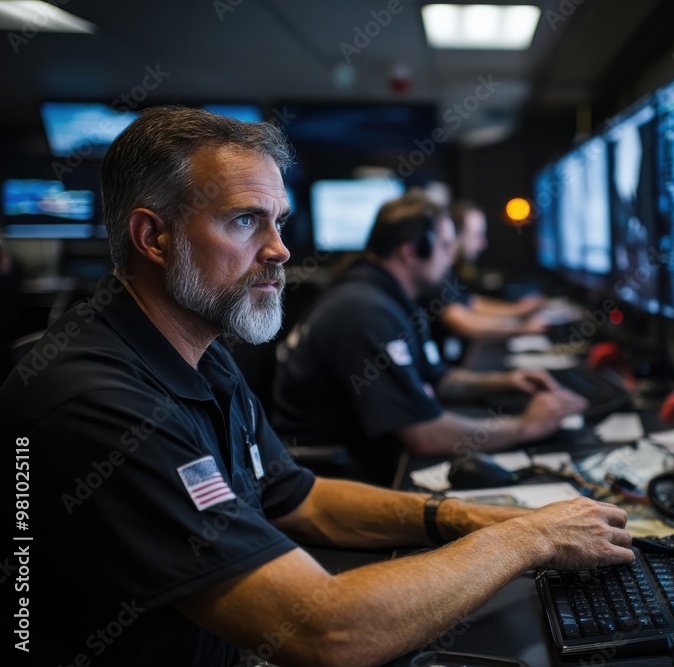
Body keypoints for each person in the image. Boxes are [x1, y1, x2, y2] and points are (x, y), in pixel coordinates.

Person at [0, 106, 634, 666]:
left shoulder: (201, 355)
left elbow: (299, 497)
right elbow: (325, 632)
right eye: (246, 221)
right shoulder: (96, 405)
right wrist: (527, 538)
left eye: (279, 221)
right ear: (153, 238)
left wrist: (475, 518)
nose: (280, 250)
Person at [271, 192, 588, 485]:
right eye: (446, 245)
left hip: (371, 457)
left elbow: (436, 379)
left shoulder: (387, 297)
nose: (452, 257)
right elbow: (425, 435)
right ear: (411, 250)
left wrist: (507, 380)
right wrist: (527, 426)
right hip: (342, 479)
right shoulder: (366, 311)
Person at [427, 200, 550, 362]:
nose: (482, 244)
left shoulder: (451, 271)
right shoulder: (435, 272)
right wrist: (520, 327)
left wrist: (518, 310)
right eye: (477, 234)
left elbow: (471, 303)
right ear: (455, 234)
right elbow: (462, 321)